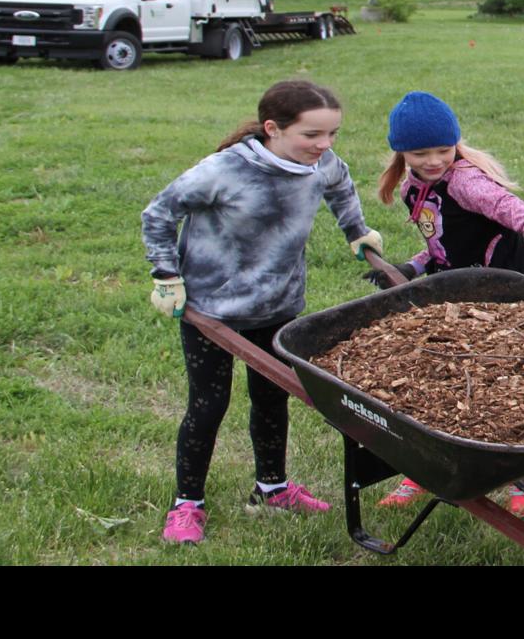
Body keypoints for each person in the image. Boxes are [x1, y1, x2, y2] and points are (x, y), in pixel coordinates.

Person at [143, 79, 381, 545]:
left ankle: (271, 488)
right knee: (208, 404)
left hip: (278, 305)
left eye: (332, 133)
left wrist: (356, 230)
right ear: (272, 128)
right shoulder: (225, 170)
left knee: (272, 398)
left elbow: (340, 185)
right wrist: (166, 275)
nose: (324, 144)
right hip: (214, 311)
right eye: (311, 134)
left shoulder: (321, 164)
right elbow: (158, 214)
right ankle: (187, 502)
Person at [371, 91, 524, 511]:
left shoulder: (467, 183)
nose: (434, 160)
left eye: (444, 149)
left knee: (511, 385)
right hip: (456, 299)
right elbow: (445, 241)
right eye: (420, 153)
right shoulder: (413, 187)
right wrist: (413, 266)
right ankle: (430, 466)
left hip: (505, 300)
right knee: (442, 381)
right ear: (401, 152)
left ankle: (523, 478)